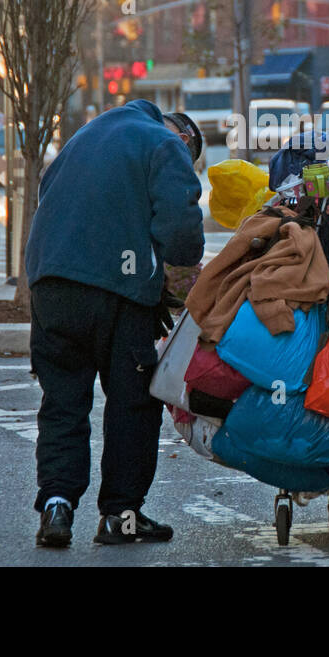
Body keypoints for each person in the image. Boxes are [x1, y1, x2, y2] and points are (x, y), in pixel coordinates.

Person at [24, 100, 205, 549]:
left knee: (62, 401)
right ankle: (119, 517)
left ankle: (56, 505)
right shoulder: (166, 143)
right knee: (131, 403)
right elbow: (182, 232)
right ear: (185, 138)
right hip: (118, 292)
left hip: (50, 284)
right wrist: (180, 280)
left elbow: (50, 192)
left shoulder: (86, 135)